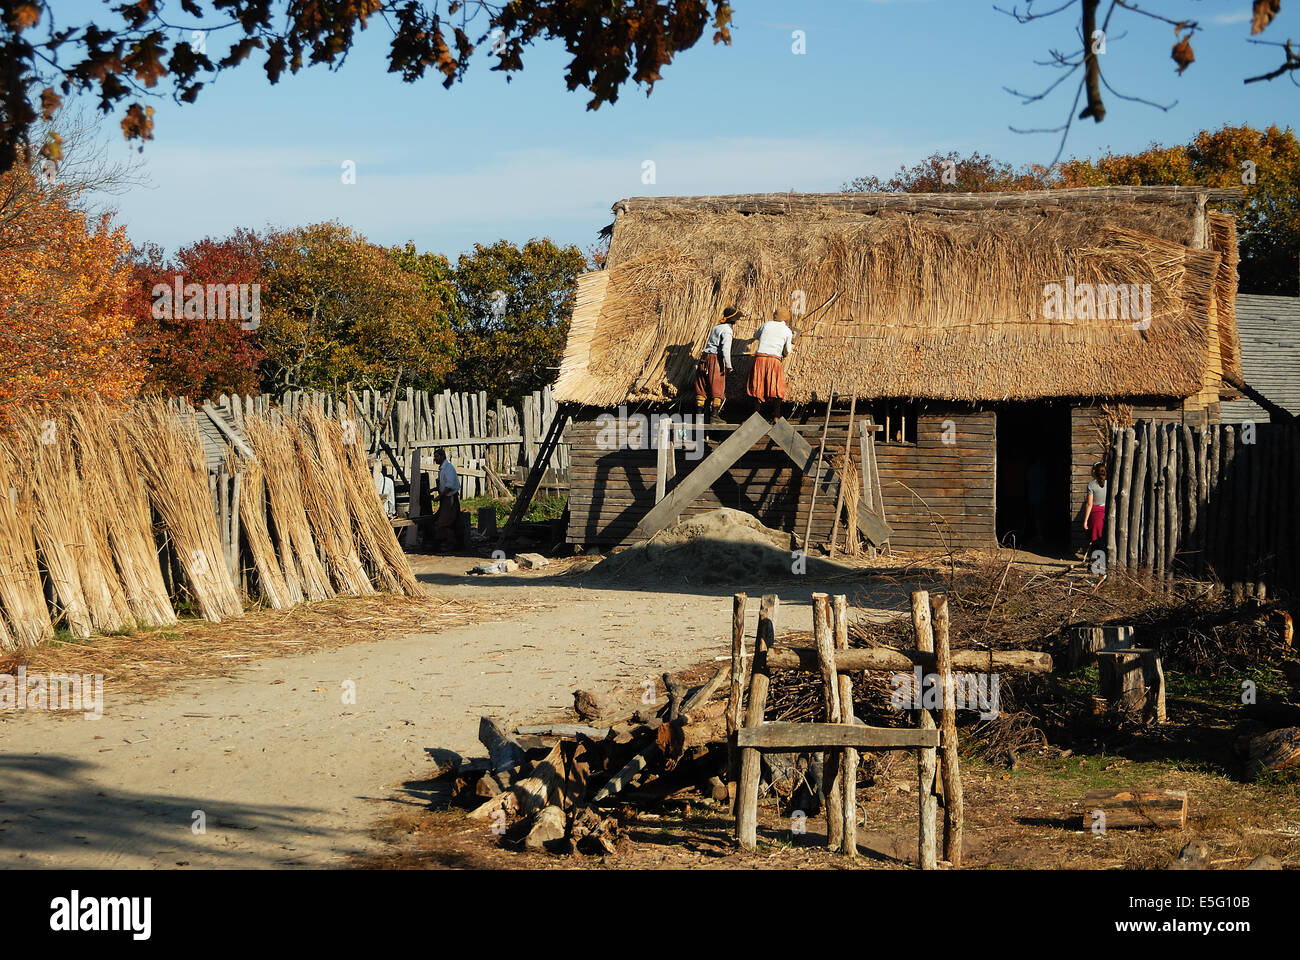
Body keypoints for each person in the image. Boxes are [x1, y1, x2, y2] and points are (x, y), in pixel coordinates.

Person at [747, 306, 795, 420]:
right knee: (777, 385)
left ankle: (755, 414)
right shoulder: (787, 331)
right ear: (786, 319)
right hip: (774, 359)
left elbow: (755, 336)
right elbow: (787, 350)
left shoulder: (766, 325)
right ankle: (776, 415)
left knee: (757, 384)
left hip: (760, 358)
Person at [695, 305, 741, 422]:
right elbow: (725, 350)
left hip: (704, 358)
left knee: (702, 387)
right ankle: (714, 416)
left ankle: (699, 417)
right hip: (715, 359)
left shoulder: (716, 327)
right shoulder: (727, 331)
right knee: (718, 387)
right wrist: (728, 366)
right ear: (733, 319)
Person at [431, 448, 462, 550]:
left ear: (442, 456)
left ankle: (448, 544)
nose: (435, 459)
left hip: (450, 498)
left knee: (445, 521)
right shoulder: (442, 468)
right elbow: (442, 485)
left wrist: (440, 497)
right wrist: (432, 490)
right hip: (445, 498)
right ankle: (446, 543)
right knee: (445, 520)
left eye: (436, 456)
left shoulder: (448, 468)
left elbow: (449, 486)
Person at [1083, 461, 1107, 555]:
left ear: (1093, 471)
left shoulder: (1091, 485)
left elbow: (1089, 504)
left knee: (1096, 540)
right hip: (1106, 513)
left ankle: (1095, 565)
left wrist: (1085, 520)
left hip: (1095, 515)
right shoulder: (1109, 483)